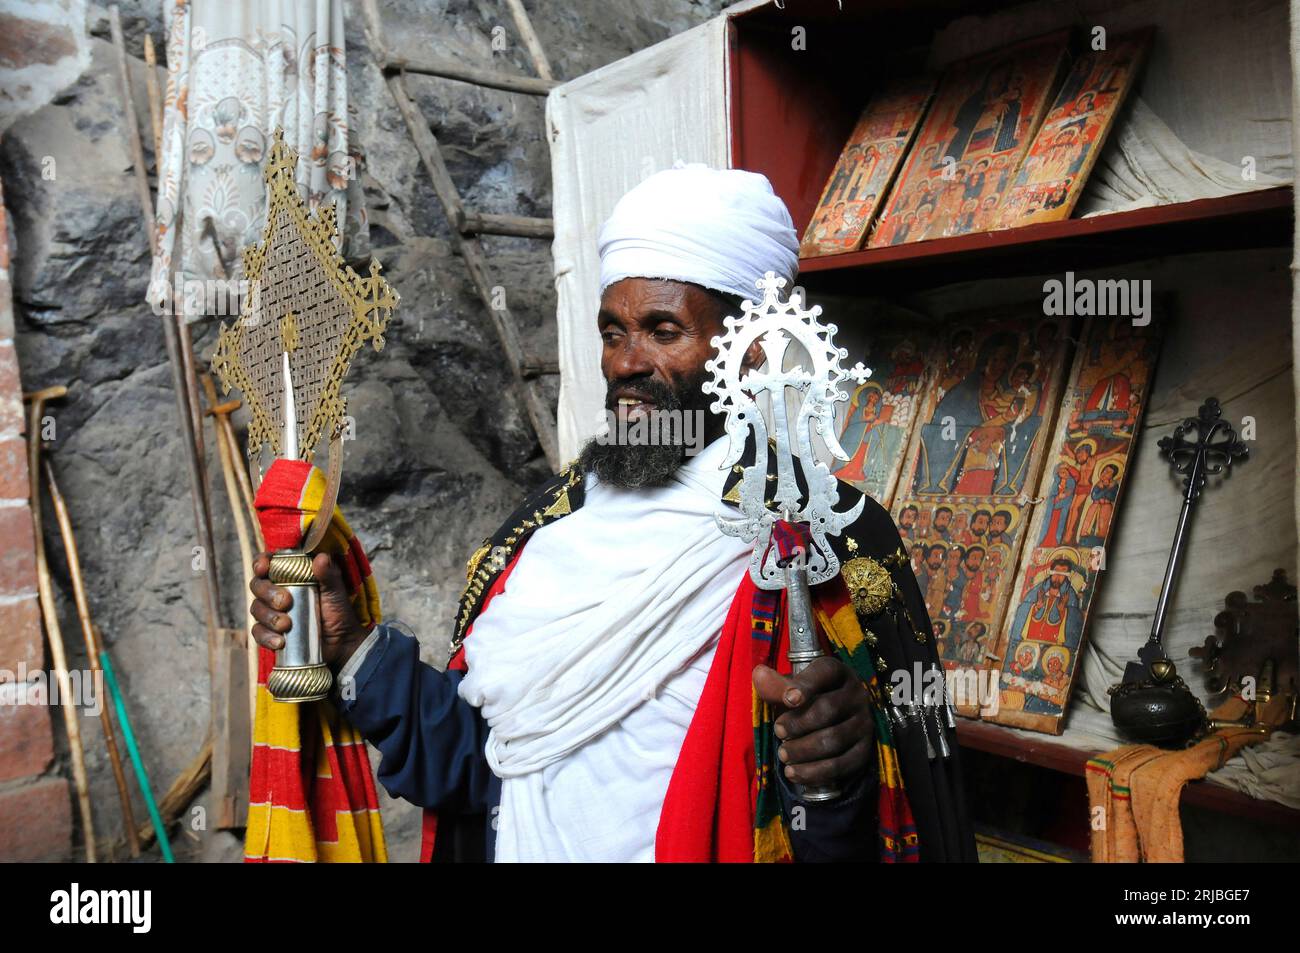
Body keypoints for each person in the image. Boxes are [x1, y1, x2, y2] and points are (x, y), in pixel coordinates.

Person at [248, 165, 974, 863]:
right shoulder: (542, 533)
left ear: (750, 354)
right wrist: (352, 647)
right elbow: (479, 765)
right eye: (612, 331)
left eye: (663, 331)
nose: (626, 362)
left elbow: (881, 823)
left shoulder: (819, 537)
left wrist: (840, 770)